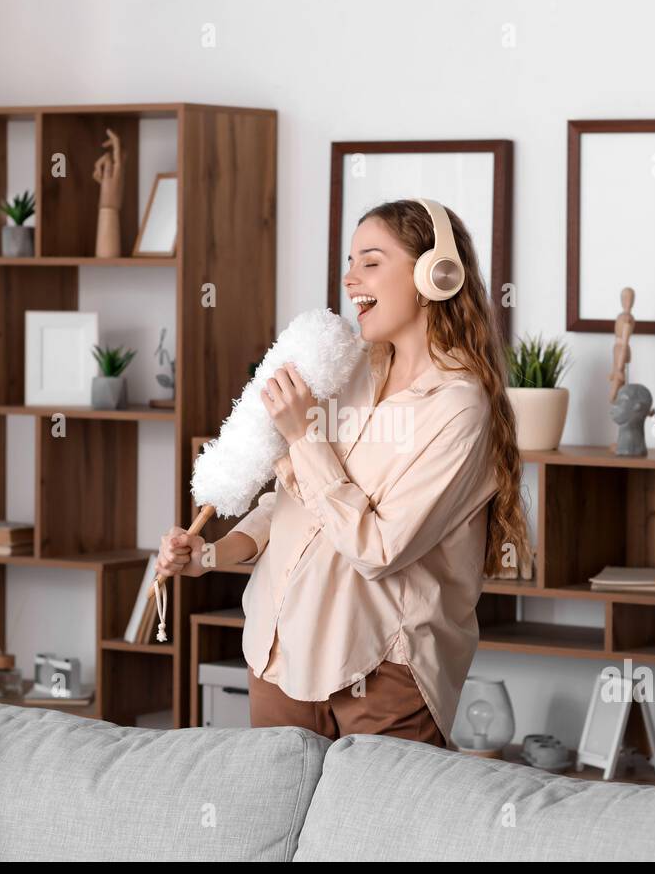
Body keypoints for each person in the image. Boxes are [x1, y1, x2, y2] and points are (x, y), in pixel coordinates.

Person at [155, 198, 527, 748]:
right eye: (350, 262)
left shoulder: (458, 407)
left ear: (435, 273)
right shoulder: (346, 369)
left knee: (373, 836)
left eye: (371, 262)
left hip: (380, 671)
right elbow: (288, 506)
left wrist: (304, 434)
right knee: (278, 834)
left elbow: (379, 550)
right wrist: (208, 555)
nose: (351, 279)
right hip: (277, 655)